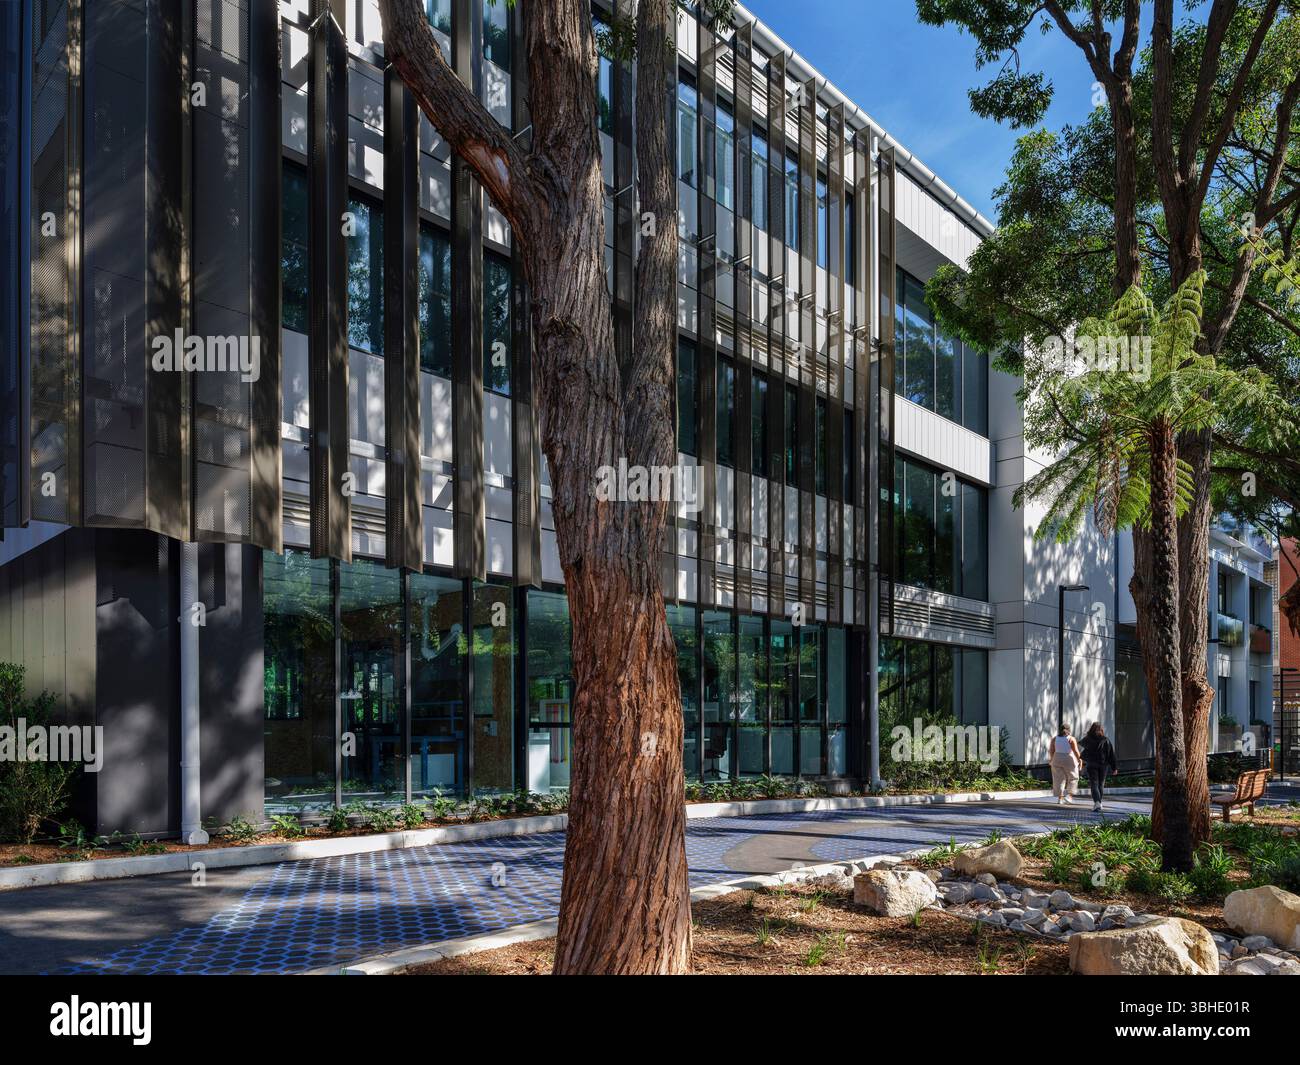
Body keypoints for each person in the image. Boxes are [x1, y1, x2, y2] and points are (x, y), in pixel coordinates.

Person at [1079, 721, 1118, 812]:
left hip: (1092, 765)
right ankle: (1099, 803)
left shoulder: (1087, 739)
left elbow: (1081, 746)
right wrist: (1114, 767)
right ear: (1101, 730)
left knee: (1094, 784)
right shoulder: (1106, 740)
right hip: (1103, 765)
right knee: (1100, 784)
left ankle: (1097, 803)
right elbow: (1111, 754)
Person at [1049, 724, 1082, 804]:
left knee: (1058, 779)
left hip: (1057, 758)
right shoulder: (1071, 739)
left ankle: (1060, 798)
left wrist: (1051, 760)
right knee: (1073, 777)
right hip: (1069, 758)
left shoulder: (1054, 739)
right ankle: (1069, 796)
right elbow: (1076, 751)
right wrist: (1080, 760)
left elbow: (1051, 751)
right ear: (1069, 730)